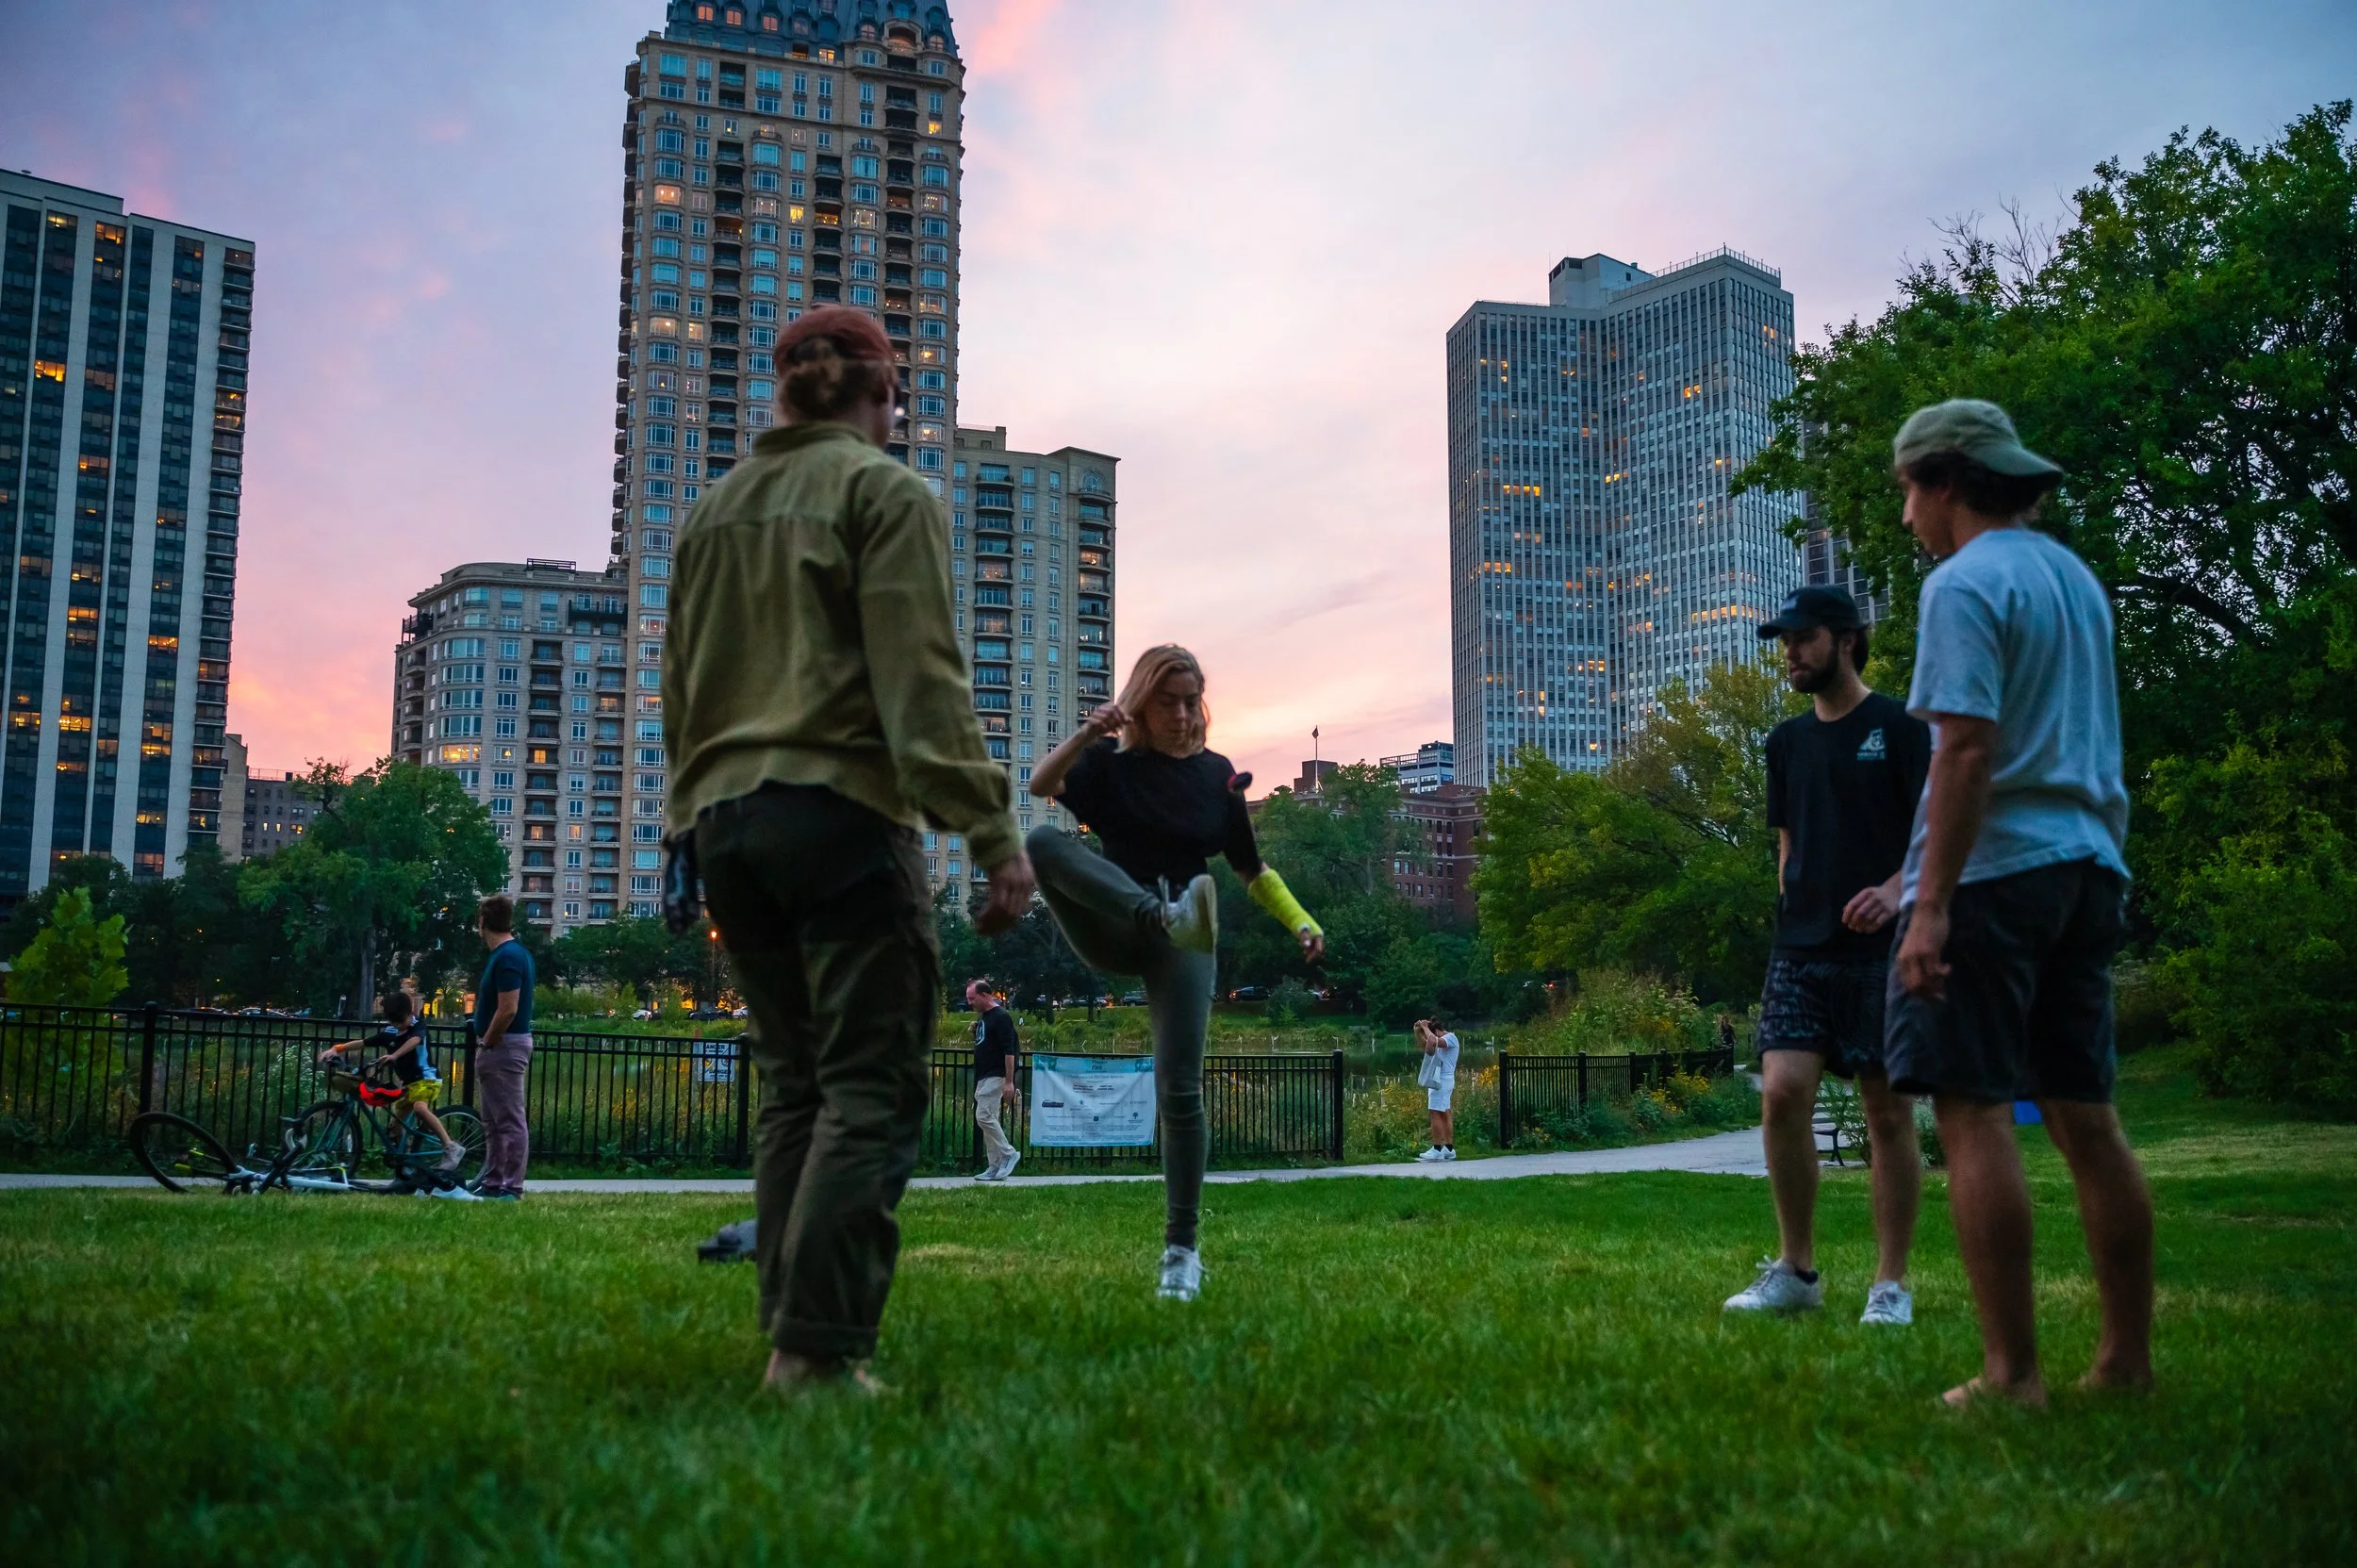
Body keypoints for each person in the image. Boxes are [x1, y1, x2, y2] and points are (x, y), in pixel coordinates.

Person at [664, 305, 1032, 1395]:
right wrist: (992, 833)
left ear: (783, 395)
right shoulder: (885, 493)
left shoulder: (712, 512)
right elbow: (921, 680)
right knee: (870, 1085)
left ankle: (790, 1324)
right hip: (838, 812)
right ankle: (816, 1353)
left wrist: (691, 827)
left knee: (794, 1087)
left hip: (725, 825)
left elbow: (680, 692)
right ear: (885, 397)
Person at [1882, 399, 2151, 1410]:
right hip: (2088, 865)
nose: (1907, 514)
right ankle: (2125, 1359)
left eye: (1909, 490)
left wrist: (1930, 906)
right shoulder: (2075, 581)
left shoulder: (1964, 583)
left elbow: (1965, 747)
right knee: (2090, 1118)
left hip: (1995, 875)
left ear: (1946, 480)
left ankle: (2011, 1376)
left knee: (1971, 1108)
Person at [1026, 644, 1323, 1302]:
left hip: (1188, 933)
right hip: (1120, 919)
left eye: (1193, 699)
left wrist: (1301, 921)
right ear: (1141, 701)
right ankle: (1154, 911)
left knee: (1179, 1087)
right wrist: (1088, 731)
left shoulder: (1217, 775)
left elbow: (1250, 868)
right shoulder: (1110, 764)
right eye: (1170, 700)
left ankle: (1181, 1252)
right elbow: (1041, 786)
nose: (1185, 712)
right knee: (1041, 842)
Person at [1723, 586, 1932, 1325]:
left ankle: (1890, 1283)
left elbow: (1937, 837)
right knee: (1781, 1091)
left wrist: (1896, 889)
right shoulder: (1785, 743)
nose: (1789, 652)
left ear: (1846, 639)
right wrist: (1793, 899)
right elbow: (1788, 845)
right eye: (1782, 640)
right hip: (1800, 948)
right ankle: (1797, 1270)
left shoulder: (1903, 725)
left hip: (1883, 949)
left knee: (1887, 1114)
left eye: (1802, 638)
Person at [317, 990, 470, 1187]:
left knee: (420, 1109)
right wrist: (337, 1049)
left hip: (427, 1080)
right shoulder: (391, 1031)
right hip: (408, 1086)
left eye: (401, 1021)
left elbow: (414, 1041)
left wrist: (394, 1055)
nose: (398, 1026)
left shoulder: (418, 1027)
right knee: (395, 1128)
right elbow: (364, 1042)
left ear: (411, 1012)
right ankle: (406, 1166)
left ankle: (450, 1147)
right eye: (394, 1022)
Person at [470, 896, 536, 1201]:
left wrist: (487, 1041)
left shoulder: (509, 956)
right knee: (493, 1122)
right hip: (500, 1046)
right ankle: (494, 1183)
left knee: (509, 1121)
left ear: (483, 922)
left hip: (504, 1046)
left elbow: (508, 1009)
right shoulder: (509, 954)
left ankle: (512, 1187)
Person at [968, 979, 1022, 1181]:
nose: (970, 1003)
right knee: (988, 1118)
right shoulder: (986, 1017)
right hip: (984, 1075)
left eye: (972, 998)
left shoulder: (1001, 1017)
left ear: (984, 995)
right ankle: (994, 1166)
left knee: (983, 1116)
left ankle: (1008, 1154)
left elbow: (1009, 1050)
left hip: (996, 1074)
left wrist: (1009, 1081)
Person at [1413, 1017, 1459, 1162]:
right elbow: (1427, 1047)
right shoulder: (1436, 1039)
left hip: (1442, 1081)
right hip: (1438, 1080)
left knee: (1435, 1113)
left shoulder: (1450, 1038)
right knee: (1444, 1112)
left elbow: (1433, 1041)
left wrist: (1426, 1027)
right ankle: (1448, 1149)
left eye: (1433, 1034)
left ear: (1438, 1031)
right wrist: (1418, 1032)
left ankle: (1437, 1148)